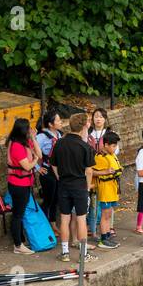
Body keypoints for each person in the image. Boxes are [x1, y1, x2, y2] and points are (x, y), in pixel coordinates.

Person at [50, 111, 97, 263]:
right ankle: (83, 255)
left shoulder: (59, 143)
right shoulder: (85, 146)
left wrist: (59, 177)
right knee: (81, 219)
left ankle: (64, 253)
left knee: (64, 219)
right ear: (84, 126)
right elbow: (89, 170)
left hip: (64, 185)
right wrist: (88, 186)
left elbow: (53, 164)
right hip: (80, 186)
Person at [5, 117, 39, 255]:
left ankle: (20, 242)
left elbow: (40, 153)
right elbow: (27, 165)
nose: (30, 130)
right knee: (18, 214)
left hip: (24, 184)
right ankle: (18, 245)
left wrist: (34, 138)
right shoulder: (16, 146)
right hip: (18, 185)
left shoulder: (24, 142)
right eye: (28, 129)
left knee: (19, 212)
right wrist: (35, 160)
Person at [34, 108, 65, 225]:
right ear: (50, 124)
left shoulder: (60, 134)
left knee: (56, 199)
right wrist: (37, 168)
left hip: (59, 170)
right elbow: (32, 152)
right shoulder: (42, 136)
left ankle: (52, 224)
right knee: (48, 200)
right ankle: (43, 224)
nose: (61, 122)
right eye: (58, 120)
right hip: (48, 172)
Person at [93, 131, 122, 248]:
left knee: (109, 213)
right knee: (105, 215)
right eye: (113, 145)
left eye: (116, 145)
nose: (115, 148)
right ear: (105, 145)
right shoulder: (100, 157)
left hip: (113, 189)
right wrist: (105, 172)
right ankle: (103, 239)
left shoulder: (112, 155)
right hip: (105, 190)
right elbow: (92, 171)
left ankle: (108, 235)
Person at [86, 108, 110, 238]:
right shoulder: (88, 133)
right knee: (91, 200)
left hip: (105, 171)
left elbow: (115, 151)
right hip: (91, 170)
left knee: (105, 200)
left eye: (101, 117)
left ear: (105, 119)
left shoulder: (109, 133)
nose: (98, 119)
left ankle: (105, 226)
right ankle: (91, 226)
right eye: (96, 116)